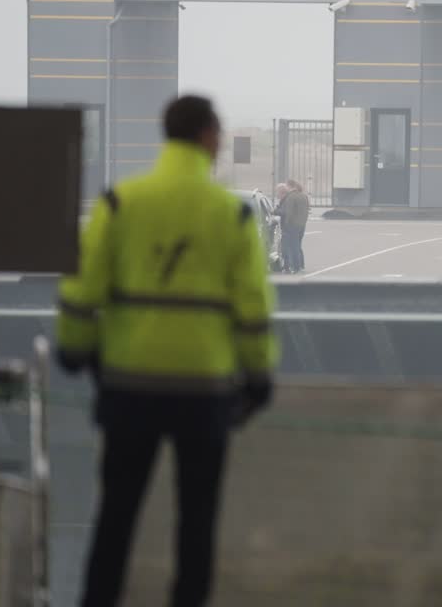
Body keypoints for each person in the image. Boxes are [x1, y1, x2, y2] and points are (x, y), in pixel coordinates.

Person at [56, 95, 279, 607]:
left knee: (116, 518)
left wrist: (77, 351)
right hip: (205, 392)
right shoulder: (232, 216)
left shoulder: (119, 203)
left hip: (128, 387)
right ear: (207, 137)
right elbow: (252, 309)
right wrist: (259, 376)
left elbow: (81, 292)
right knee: (196, 525)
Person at [278, 179, 310, 274]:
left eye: (286, 186)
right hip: (302, 225)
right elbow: (306, 211)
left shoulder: (291, 197)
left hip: (292, 225)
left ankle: (295, 267)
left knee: (293, 247)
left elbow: (289, 212)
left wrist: (287, 224)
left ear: (289, 186)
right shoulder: (304, 196)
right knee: (297, 246)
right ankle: (299, 266)